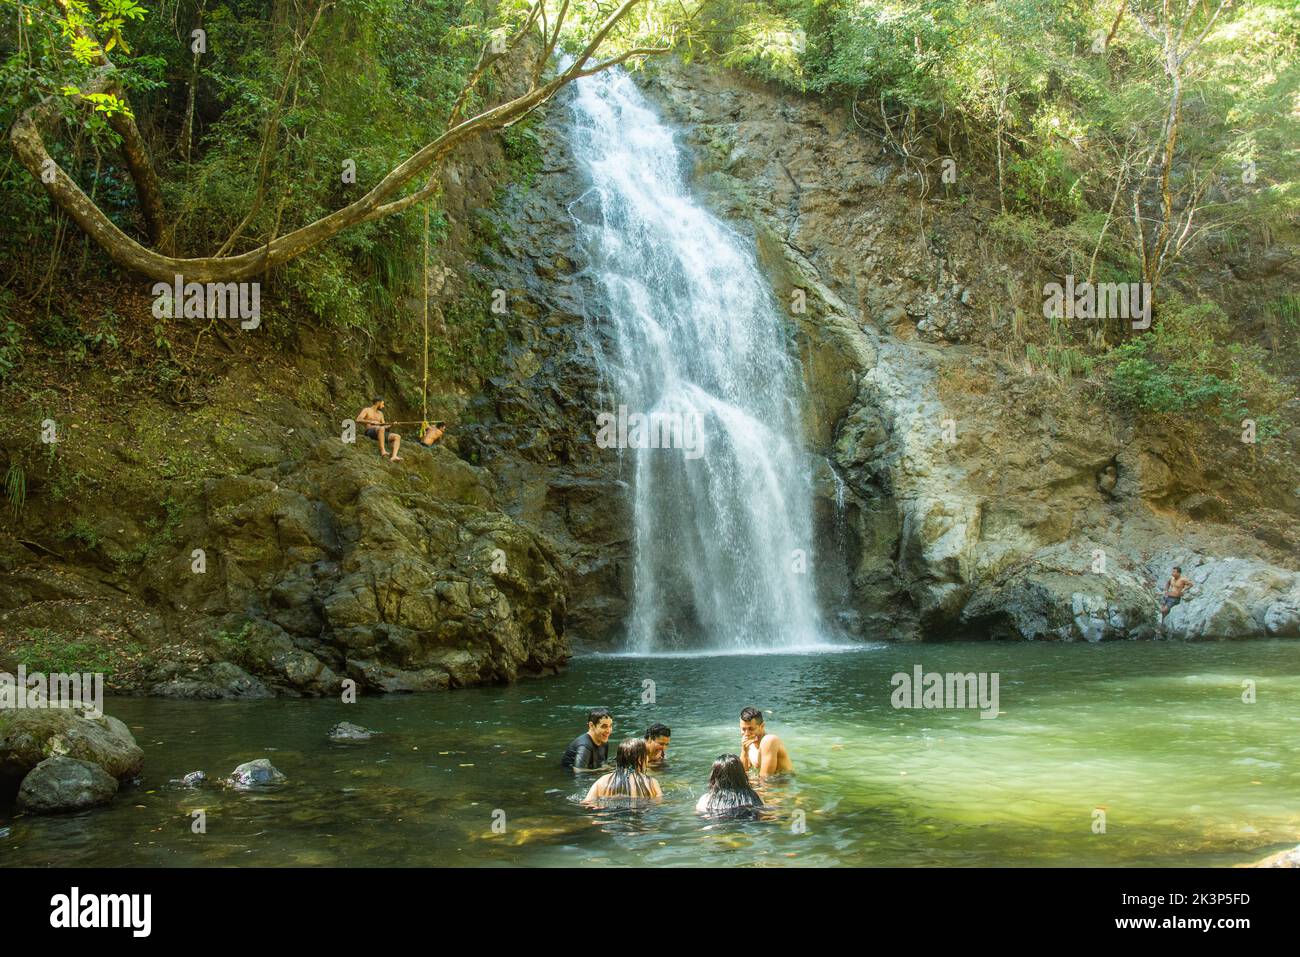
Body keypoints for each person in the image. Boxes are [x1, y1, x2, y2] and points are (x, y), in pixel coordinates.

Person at [583, 738, 662, 802]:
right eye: (646, 755)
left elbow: (586, 803)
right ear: (639, 759)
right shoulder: (652, 783)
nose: (647, 759)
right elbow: (659, 804)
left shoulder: (602, 781)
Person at [696, 754, 764, 818]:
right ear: (742, 775)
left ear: (714, 776)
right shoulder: (752, 796)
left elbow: (700, 816)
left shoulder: (706, 799)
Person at [739, 707, 793, 777]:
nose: (747, 733)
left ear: (762, 726)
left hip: (782, 784)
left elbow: (766, 780)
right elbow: (742, 774)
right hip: (768, 784)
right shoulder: (749, 743)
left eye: (751, 729)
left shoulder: (769, 741)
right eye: (743, 729)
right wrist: (744, 751)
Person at [560, 708, 613, 772]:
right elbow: (578, 771)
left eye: (610, 726)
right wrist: (602, 770)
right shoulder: (584, 746)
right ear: (591, 725)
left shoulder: (603, 740)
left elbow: (603, 763)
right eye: (604, 726)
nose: (608, 731)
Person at [356, 397, 401, 462]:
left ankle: (394, 456)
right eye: (382, 404)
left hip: (380, 432)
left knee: (397, 436)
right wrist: (370, 422)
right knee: (381, 428)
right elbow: (358, 419)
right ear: (378, 403)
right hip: (370, 432)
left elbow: (384, 426)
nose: (383, 406)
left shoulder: (380, 414)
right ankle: (383, 451)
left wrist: (392, 425)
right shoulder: (367, 410)